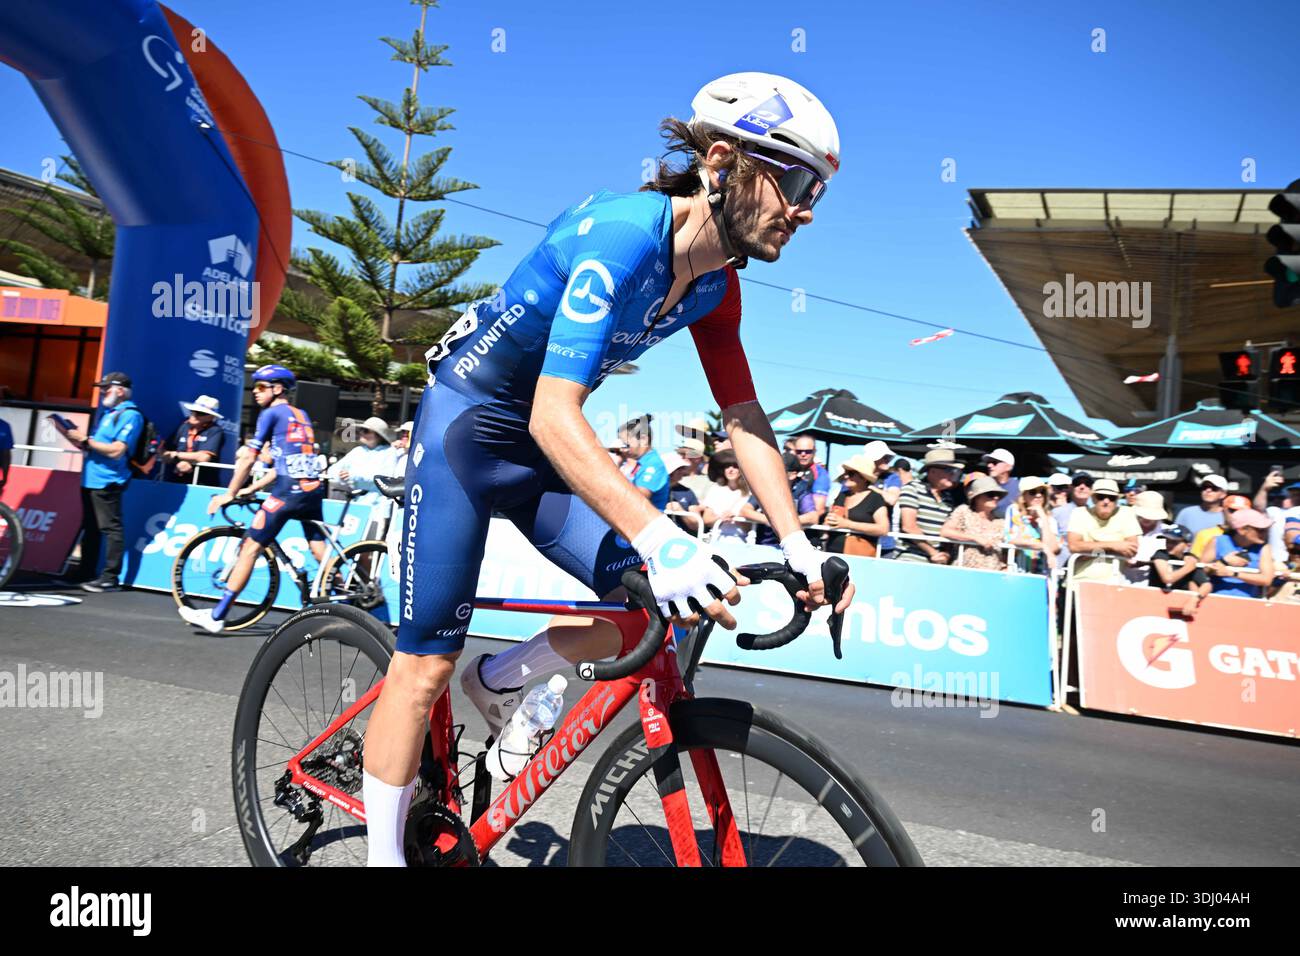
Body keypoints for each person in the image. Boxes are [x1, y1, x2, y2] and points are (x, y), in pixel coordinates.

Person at [363, 72, 851, 867]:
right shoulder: (625, 235)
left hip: (541, 454)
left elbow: (744, 417)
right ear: (722, 161)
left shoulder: (715, 289)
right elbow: (555, 413)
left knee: (654, 609)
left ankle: (505, 677)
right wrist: (663, 535)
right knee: (422, 669)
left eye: (817, 193)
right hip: (469, 434)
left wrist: (799, 546)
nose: (802, 209)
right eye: (794, 180)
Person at [177, 365, 329, 632]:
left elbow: (248, 457)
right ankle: (346, 593)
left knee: (249, 547)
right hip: (311, 489)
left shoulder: (270, 414)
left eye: (260, 387)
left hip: (287, 493)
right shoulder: (300, 414)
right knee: (321, 552)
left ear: (278, 389)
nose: (255, 392)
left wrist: (230, 493)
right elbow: (284, 463)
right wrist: (252, 489)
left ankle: (217, 617)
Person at [50, 371, 144, 592]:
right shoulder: (110, 413)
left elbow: (117, 451)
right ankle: (85, 572)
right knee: (90, 528)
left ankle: (110, 578)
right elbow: (93, 446)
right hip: (92, 478)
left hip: (109, 480)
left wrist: (84, 440)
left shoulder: (130, 415)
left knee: (111, 528)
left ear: (120, 391)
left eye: (106, 388)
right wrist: (71, 435)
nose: (102, 392)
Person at [1066, 478, 1141, 583]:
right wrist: (1115, 546)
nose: (1106, 501)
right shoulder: (1079, 513)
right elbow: (1074, 546)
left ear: (1117, 500)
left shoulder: (1126, 513)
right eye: (1101, 497)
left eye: (1111, 498)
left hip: (1114, 583)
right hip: (1079, 581)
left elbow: (1131, 549)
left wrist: (1089, 550)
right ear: (1093, 499)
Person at [895, 448, 964, 564]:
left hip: (937, 561)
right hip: (910, 557)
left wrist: (945, 554)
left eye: (954, 470)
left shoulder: (948, 497)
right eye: (949, 469)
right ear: (932, 471)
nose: (953, 473)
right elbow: (909, 526)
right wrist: (933, 553)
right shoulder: (912, 489)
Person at [742, 451, 815, 546]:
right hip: (764, 545)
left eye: (778, 471)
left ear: (792, 475)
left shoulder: (802, 488)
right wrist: (768, 520)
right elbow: (745, 510)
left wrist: (785, 522)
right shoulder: (765, 487)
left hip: (792, 546)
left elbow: (813, 517)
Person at [824, 453, 889, 556]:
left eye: (850, 473)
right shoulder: (842, 495)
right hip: (832, 554)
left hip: (860, 559)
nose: (845, 476)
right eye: (846, 472)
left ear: (863, 478)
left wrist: (848, 524)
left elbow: (883, 529)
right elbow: (833, 519)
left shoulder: (875, 498)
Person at [941, 476, 1010, 571]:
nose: (996, 497)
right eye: (991, 494)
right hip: (964, 572)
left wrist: (1005, 567)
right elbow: (946, 531)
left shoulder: (1001, 522)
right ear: (977, 497)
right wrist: (975, 538)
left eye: (998, 494)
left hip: (993, 575)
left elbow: (1006, 552)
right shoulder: (964, 511)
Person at [327, 416, 400, 506]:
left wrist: (353, 476)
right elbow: (332, 471)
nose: (361, 433)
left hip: (378, 505)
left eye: (366, 431)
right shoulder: (358, 450)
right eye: (361, 429)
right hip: (354, 503)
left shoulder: (389, 452)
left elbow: (385, 478)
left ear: (379, 436)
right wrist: (341, 476)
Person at [1205, 509, 1275, 599]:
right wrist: (1224, 561)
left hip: (1247, 604)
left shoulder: (1264, 548)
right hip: (1214, 599)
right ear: (1242, 530)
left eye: (1267, 529)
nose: (1265, 533)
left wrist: (1232, 573)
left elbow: (1266, 579)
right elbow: (1201, 572)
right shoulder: (1217, 541)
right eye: (1260, 530)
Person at [1147, 524, 1212, 617]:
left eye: (1174, 542)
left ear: (1187, 545)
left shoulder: (1191, 559)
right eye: (1167, 541)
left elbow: (1207, 585)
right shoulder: (1161, 554)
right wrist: (1188, 567)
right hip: (1154, 603)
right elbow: (1167, 578)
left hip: (1179, 607)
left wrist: (1194, 600)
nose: (1169, 544)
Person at [160, 394, 225, 484]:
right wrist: (169, 457)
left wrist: (176, 456)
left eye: (200, 413)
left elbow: (203, 457)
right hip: (175, 481)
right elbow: (164, 450)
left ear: (211, 417)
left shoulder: (215, 431)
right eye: (193, 411)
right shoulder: (183, 426)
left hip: (202, 483)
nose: (194, 415)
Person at [1003, 477, 1059, 574]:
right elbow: (1011, 540)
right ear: (1023, 496)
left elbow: (1053, 548)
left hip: (1042, 575)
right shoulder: (1014, 511)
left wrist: (1044, 518)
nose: (1038, 495)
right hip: (1018, 572)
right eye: (1033, 492)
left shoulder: (1050, 519)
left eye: (1042, 492)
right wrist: (1043, 547)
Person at [618, 415, 670, 510]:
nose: (622, 449)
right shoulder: (642, 463)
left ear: (643, 439)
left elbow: (637, 499)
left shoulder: (654, 465)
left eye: (626, 445)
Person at [700, 449, 753, 541]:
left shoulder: (751, 492)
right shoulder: (715, 489)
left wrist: (736, 518)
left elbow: (750, 527)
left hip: (742, 540)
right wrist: (721, 518)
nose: (730, 470)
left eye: (735, 466)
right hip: (715, 538)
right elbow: (706, 519)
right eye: (727, 466)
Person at [1191, 494, 1253, 563]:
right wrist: (1223, 562)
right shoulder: (1205, 534)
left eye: (1243, 512)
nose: (1237, 514)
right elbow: (1197, 566)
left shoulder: (1253, 537)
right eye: (1232, 510)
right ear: (1222, 510)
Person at [790, 432, 831, 524]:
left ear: (814, 451)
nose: (803, 454)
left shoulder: (821, 474)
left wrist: (787, 522)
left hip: (806, 530)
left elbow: (818, 510)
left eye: (808, 451)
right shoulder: (788, 469)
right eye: (799, 451)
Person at [661, 450, 702, 535]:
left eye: (682, 468)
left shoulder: (687, 491)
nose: (682, 471)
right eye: (678, 468)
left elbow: (696, 524)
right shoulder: (653, 490)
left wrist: (681, 511)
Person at [980, 448, 1019, 518]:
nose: (989, 465)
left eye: (995, 462)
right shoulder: (982, 487)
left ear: (1008, 467)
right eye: (988, 462)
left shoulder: (1020, 487)